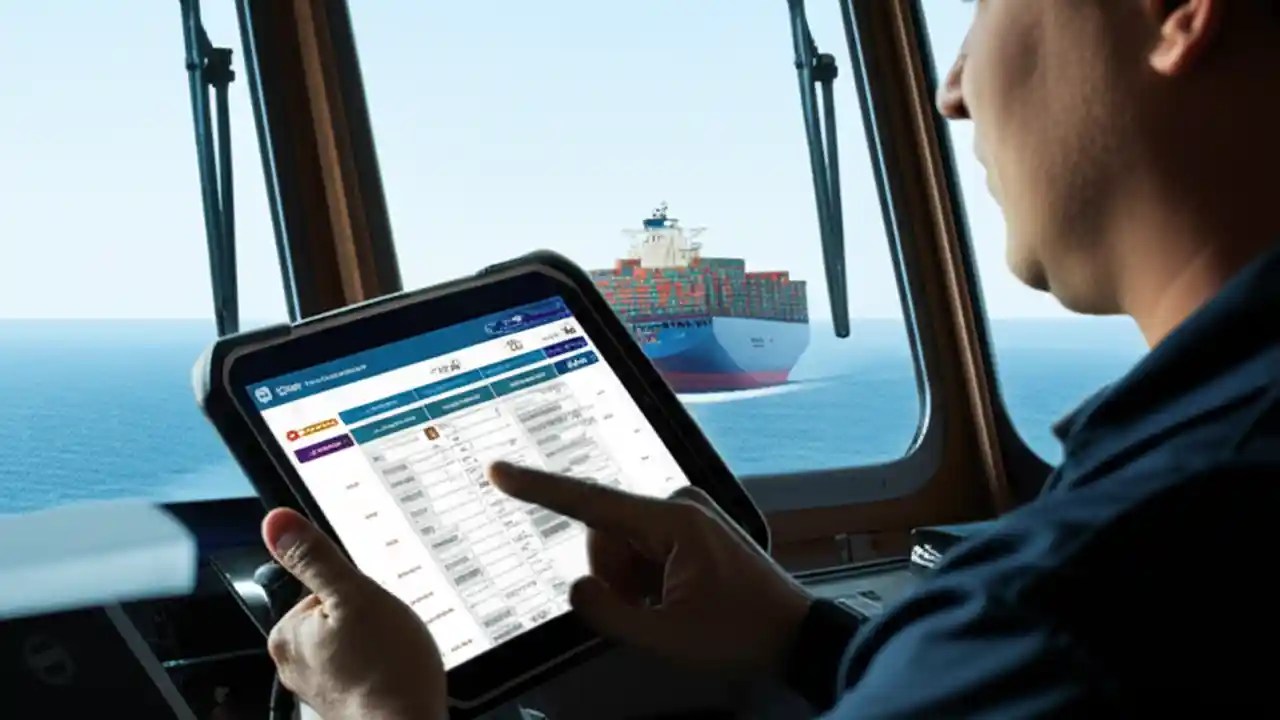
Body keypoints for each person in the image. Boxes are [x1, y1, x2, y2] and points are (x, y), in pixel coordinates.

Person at [258, 1, 1280, 717]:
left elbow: (1053, 651)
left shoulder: (1087, 594)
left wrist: (379, 710)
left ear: (1175, 11)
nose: (949, 88)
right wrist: (796, 633)